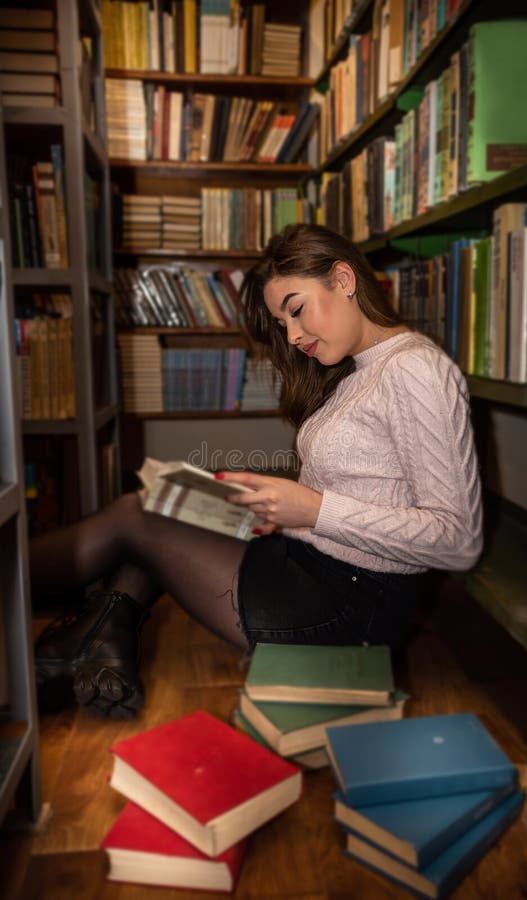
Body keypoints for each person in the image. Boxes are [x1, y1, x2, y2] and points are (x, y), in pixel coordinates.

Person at [31, 224, 482, 719]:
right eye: (282, 322)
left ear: (344, 279)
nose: (292, 335)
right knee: (165, 502)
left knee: (133, 516)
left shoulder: (416, 370)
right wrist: (279, 509)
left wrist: (313, 510)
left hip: (348, 607)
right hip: (311, 564)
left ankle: (54, 616)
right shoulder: (360, 369)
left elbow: (458, 540)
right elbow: (361, 488)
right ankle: (97, 636)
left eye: (296, 309)